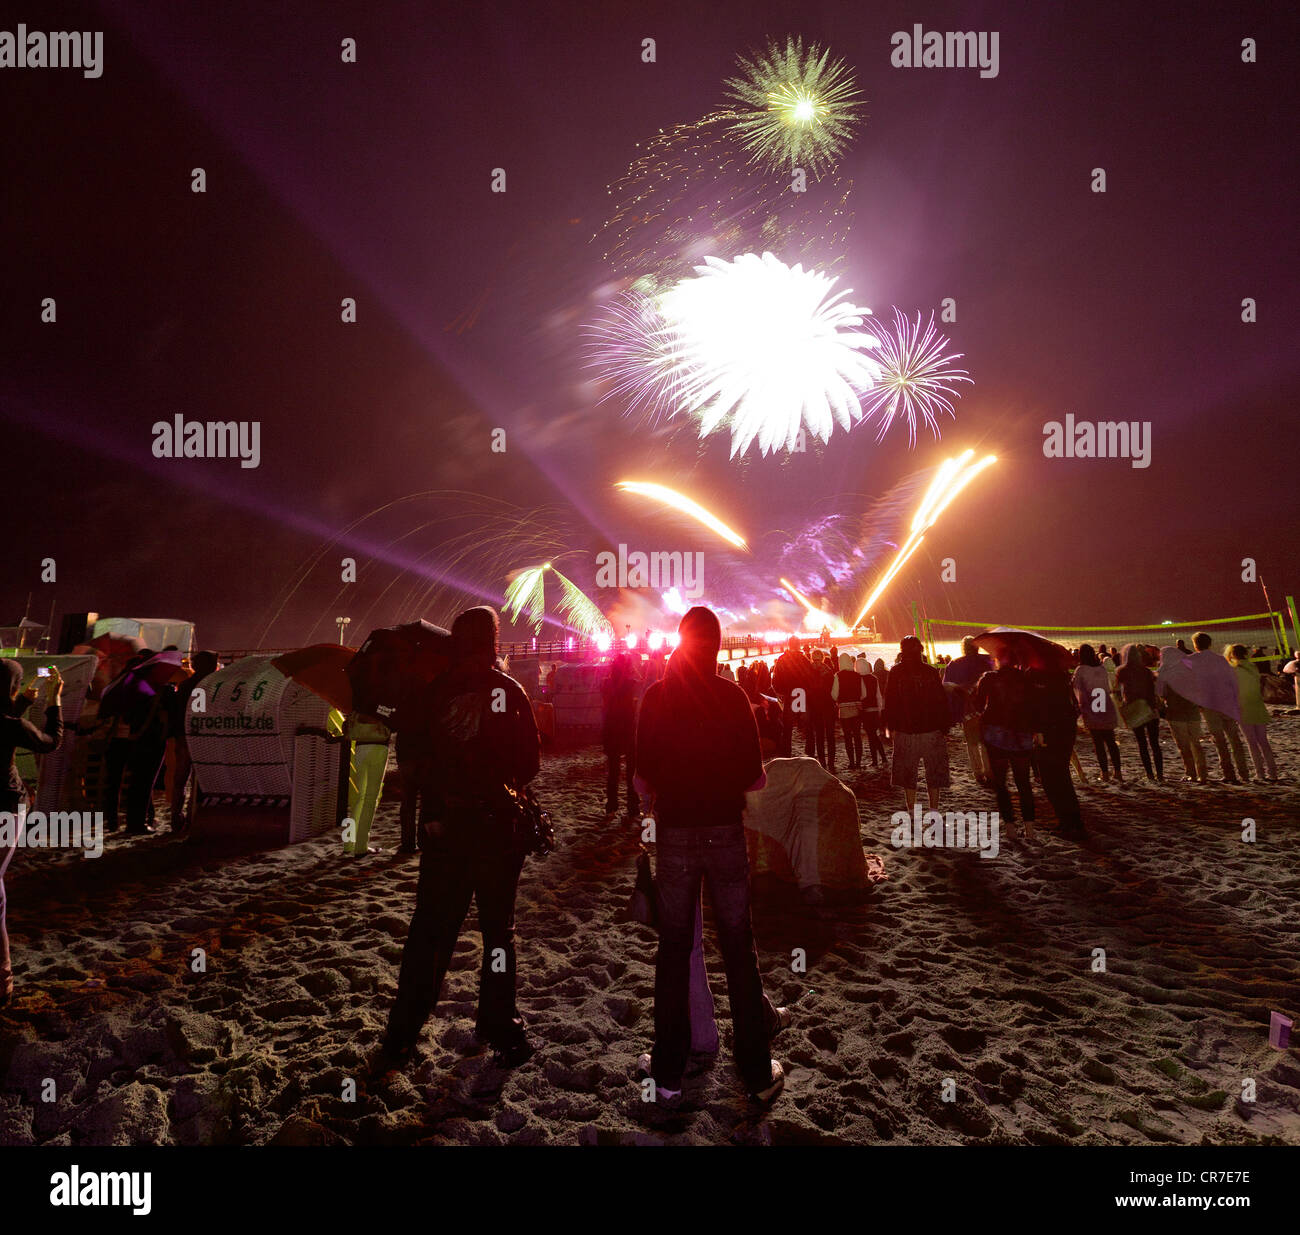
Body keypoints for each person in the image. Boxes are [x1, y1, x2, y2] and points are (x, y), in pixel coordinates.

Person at [634, 606, 783, 1105]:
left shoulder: (656, 696)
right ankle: (758, 1072)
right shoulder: (733, 695)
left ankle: (669, 1075)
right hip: (724, 831)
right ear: (717, 646)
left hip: (675, 833)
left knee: (674, 950)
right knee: (739, 946)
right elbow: (755, 776)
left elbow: (642, 774)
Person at [382, 606, 541, 1067]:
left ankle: (403, 1032)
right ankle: (499, 1025)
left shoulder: (433, 692)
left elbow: (411, 758)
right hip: (496, 830)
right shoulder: (508, 691)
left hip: (444, 828)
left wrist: (437, 798)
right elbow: (529, 764)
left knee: (430, 929)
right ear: (493, 642)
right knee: (497, 933)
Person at [1, 663, 63, 1005]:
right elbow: (50, 742)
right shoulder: (12, 725)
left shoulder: (11, 721)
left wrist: (21, 701)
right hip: (6, 807)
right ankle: (3, 980)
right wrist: (54, 701)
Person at [882, 636, 952, 813]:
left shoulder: (896, 672)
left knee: (907, 773)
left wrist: (891, 727)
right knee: (934, 772)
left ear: (902, 651)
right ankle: (934, 808)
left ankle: (912, 809)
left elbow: (890, 702)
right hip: (931, 729)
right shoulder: (930, 671)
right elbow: (940, 701)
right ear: (920, 650)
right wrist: (944, 727)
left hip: (906, 730)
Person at [973, 653, 1037, 839]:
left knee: (1001, 784)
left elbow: (977, 705)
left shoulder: (989, 678)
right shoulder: (1026, 679)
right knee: (1023, 783)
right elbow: (1033, 707)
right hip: (1021, 733)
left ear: (998, 660)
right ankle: (1030, 829)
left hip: (996, 733)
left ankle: (1010, 827)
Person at [1024, 661, 1085, 837]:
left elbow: (1036, 706)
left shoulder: (1035, 676)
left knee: (1051, 779)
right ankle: (1074, 821)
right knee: (1062, 776)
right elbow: (1072, 706)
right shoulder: (1062, 675)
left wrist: (1038, 729)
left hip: (1050, 731)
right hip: (1066, 730)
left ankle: (1067, 822)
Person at [1185, 632, 1249, 783]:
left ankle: (1229, 773)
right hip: (1226, 702)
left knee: (1219, 740)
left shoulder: (1191, 660)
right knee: (1234, 739)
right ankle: (1244, 774)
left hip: (1209, 704)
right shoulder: (1221, 659)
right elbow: (1232, 680)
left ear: (1195, 645)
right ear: (1210, 644)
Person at [166, 650, 217, 831]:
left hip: (182, 735)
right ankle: (191, 816)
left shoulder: (186, 685)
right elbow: (199, 713)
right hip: (197, 737)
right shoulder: (206, 686)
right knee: (199, 779)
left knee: (180, 778)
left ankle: (175, 816)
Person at [942, 637, 994, 785]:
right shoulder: (988, 660)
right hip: (985, 708)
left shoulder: (955, 664)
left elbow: (946, 687)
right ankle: (989, 772)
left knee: (972, 743)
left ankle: (978, 773)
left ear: (964, 648)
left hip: (967, 710)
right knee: (985, 742)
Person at [1155, 646, 1207, 784]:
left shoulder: (1164, 672)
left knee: (1184, 746)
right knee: (1196, 744)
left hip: (1176, 713)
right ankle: (1203, 774)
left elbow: (1160, 693)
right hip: (1192, 711)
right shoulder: (1191, 669)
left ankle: (1191, 773)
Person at [1071, 644, 1123, 784]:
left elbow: (1077, 689)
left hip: (1093, 708)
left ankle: (1104, 773)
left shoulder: (1081, 670)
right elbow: (1108, 686)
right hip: (1105, 706)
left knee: (1098, 743)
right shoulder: (1101, 668)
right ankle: (1117, 772)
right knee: (1111, 741)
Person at [1227, 644, 1278, 782]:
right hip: (1257, 706)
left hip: (1243, 707)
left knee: (1252, 743)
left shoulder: (1233, 670)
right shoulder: (1252, 667)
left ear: (1232, 654)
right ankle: (1272, 773)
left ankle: (1260, 773)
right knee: (1263, 742)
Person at [1115, 644, 1164, 782]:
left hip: (1134, 709)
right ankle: (1159, 774)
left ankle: (1149, 774)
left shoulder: (1122, 672)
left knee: (1142, 744)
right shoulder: (1146, 671)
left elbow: (1118, 691)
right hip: (1149, 708)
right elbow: (1152, 690)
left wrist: (1123, 702)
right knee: (1155, 744)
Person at [601, 653, 641, 818]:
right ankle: (632, 805)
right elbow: (641, 682)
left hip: (611, 728)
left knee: (613, 770)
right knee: (632, 770)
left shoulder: (605, 683)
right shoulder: (632, 684)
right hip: (628, 728)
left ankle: (612, 804)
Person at [345, 711, 391, 855]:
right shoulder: (384, 699)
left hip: (360, 746)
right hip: (378, 746)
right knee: (370, 799)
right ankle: (361, 846)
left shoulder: (359, 697)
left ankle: (348, 844)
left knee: (358, 798)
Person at [772, 636, 813, 759]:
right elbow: (810, 677)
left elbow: (776, 678)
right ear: (798, 645)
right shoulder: (804, 659)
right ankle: (810, 751)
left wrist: (780, 693)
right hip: (801, 693)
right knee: (807, 725)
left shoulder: (782, 659)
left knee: (788, 726)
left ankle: (786, 752)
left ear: (789, 645)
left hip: (790, 694)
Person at [831, 652, 864, 770]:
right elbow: (863, 694)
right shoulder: (857, 675)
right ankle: (859, 762)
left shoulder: (838, 676)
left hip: (844, 711)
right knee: (857, 736)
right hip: (856, 710)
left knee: (848, 738)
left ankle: (851, 762)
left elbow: (834, 695)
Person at [855, 656, 886, 767]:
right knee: (874, 735)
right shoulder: (873, 678)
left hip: (866, 711)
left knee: (871, 736)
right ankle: (883, 757)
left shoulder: (858, 679)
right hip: (875, 710)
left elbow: (862, 695)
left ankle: (875, 760)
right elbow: (878, 695)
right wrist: (879, 711)